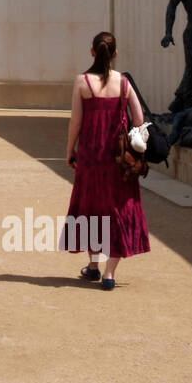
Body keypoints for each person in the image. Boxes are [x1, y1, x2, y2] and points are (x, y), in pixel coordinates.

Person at [62, 32, 149, 290]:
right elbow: (139, 118)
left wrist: (70, 150)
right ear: (115, 54)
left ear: (92, 52)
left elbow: (76, 122)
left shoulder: (82, 82)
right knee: (119, 209)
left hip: (90, 156)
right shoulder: (123, 82)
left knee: (90, 207)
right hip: (117, 158)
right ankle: (110, 274)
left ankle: (93, 266)